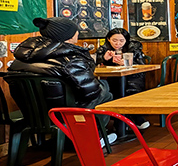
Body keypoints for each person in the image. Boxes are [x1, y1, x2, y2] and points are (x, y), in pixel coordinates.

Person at [9, 17, 117, 146]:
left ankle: (69, 138)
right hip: (62, 113)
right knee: (105, 93)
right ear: (69, 35)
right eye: (75, 30)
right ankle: (94, 139)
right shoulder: (70, 58)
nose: (78, 33)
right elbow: (90, 93)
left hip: (31, 113)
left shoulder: (19, 58)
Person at [96, 28, 150, 130]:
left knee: (127, 92)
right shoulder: (104, 49)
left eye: (121, 41)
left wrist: (128, 63)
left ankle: (130, 120)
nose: (118, 43)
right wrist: (104, 58)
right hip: (113, 78)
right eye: (114, 40)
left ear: (126, 40)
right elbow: (94, 62)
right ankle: (121, 123)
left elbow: (141, 64)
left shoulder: (133, 47)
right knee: (111, 91)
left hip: (133, 77)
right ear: (108, 39)